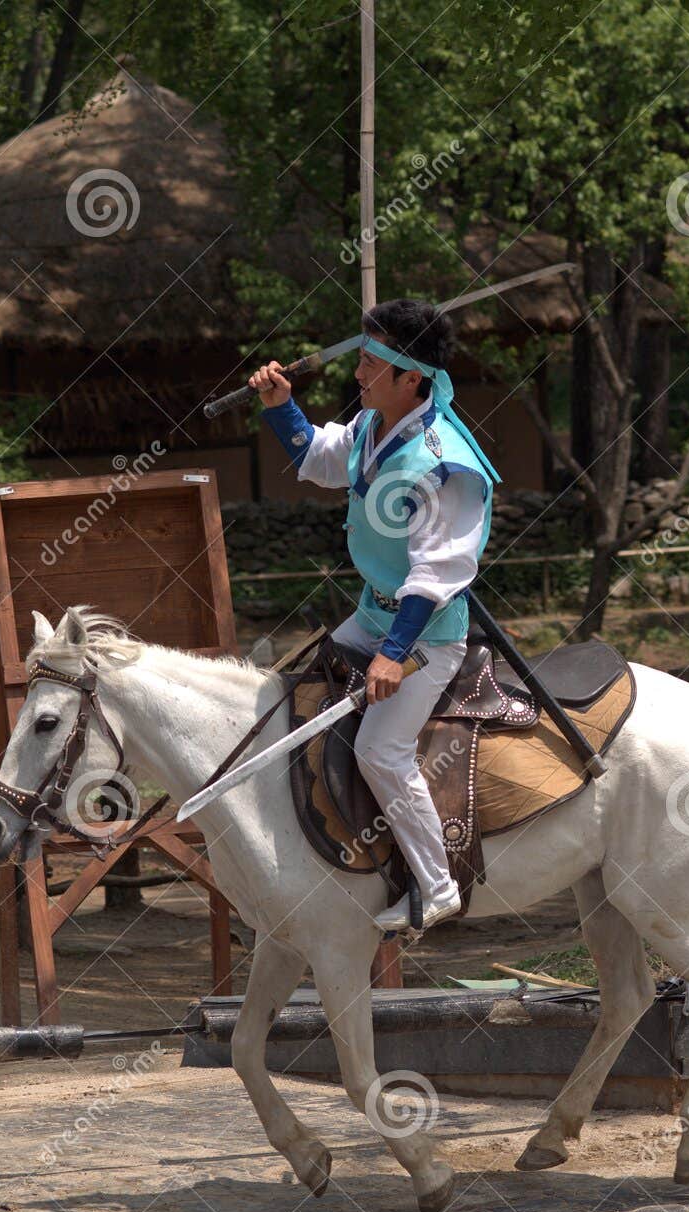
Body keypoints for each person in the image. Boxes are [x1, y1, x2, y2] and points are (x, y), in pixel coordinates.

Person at [250, 299, 498, 932]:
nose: (357, 373)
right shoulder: (371, 429)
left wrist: (393, 654)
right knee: (297, 691)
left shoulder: (443, 461)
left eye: (369, 362)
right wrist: (281, 406)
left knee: (380, 749)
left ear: (409, 377)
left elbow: (435, 571)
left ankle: (437, 884)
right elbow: (317, 455)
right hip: (370, 613)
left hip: (428, 632)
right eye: (359, 357)